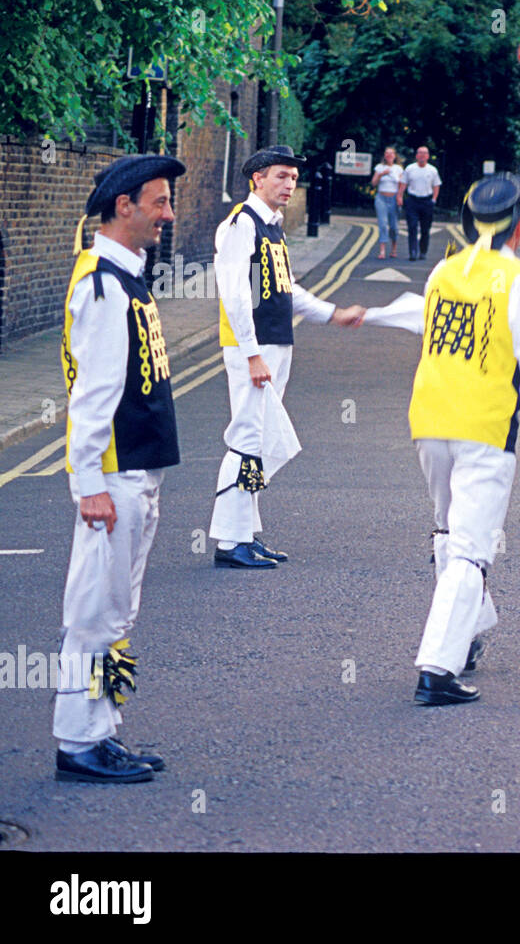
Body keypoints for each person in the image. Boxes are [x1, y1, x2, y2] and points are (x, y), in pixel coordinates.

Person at [407, 172, 520, 705]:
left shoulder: (443, 270)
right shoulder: (519, 280)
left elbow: (424, 327)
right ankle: (438, 667)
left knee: (446, 530)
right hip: (484, 428)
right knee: (472, 550)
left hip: (429, 420)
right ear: (519, 226)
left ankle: (471, 629)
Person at [54, 154, 186, 783]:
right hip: (114, 477)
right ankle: (78, 743)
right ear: (123, 206)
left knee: (117, 614)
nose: (168, 213)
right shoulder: (105, 285)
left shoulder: (124, 275)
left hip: (134, 471)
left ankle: (104, 729)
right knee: (95, 613)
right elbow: (92, 394)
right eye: (158, 202)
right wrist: (89, 486)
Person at [208, 145, 366, 569]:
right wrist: (252, 355)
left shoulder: (271, 227)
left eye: (293, 178)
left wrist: (333, 314)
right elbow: (236, 296)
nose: (289, 184)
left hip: (275, 345)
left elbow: (287, 290)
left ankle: (244, 534)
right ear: (256, 178)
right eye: (281, 176)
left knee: (264, 441)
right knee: (247, 441)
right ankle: (228, 541)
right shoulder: (241, 224)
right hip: (254, 350)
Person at [396, 145, 441, 261]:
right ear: (416, 156)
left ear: (428, 156)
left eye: (424, 153)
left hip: (426, 201)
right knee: (412, 226)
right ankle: (413, 252)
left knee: (425, 229)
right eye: (420, 153)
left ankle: (423, 251)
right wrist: (400, 196)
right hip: (412, 201)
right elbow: (403, 183)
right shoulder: (410, 169)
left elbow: (436, 185)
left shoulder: (432, 170)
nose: (422, 155)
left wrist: (434, 199)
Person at [371, 146, 402, 259]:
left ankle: (394, 249)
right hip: (381, 198)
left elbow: (401, 185)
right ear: (384, 155)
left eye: (391, 153)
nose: (389, 155)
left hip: (393, 198)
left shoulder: (398, 168)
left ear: (394, 156)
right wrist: (381, 174)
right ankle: (382, 250)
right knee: (382, 224)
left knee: (394, 226)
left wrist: (400, 197)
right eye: (387, 153)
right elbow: (373, 183)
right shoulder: (379, 167)